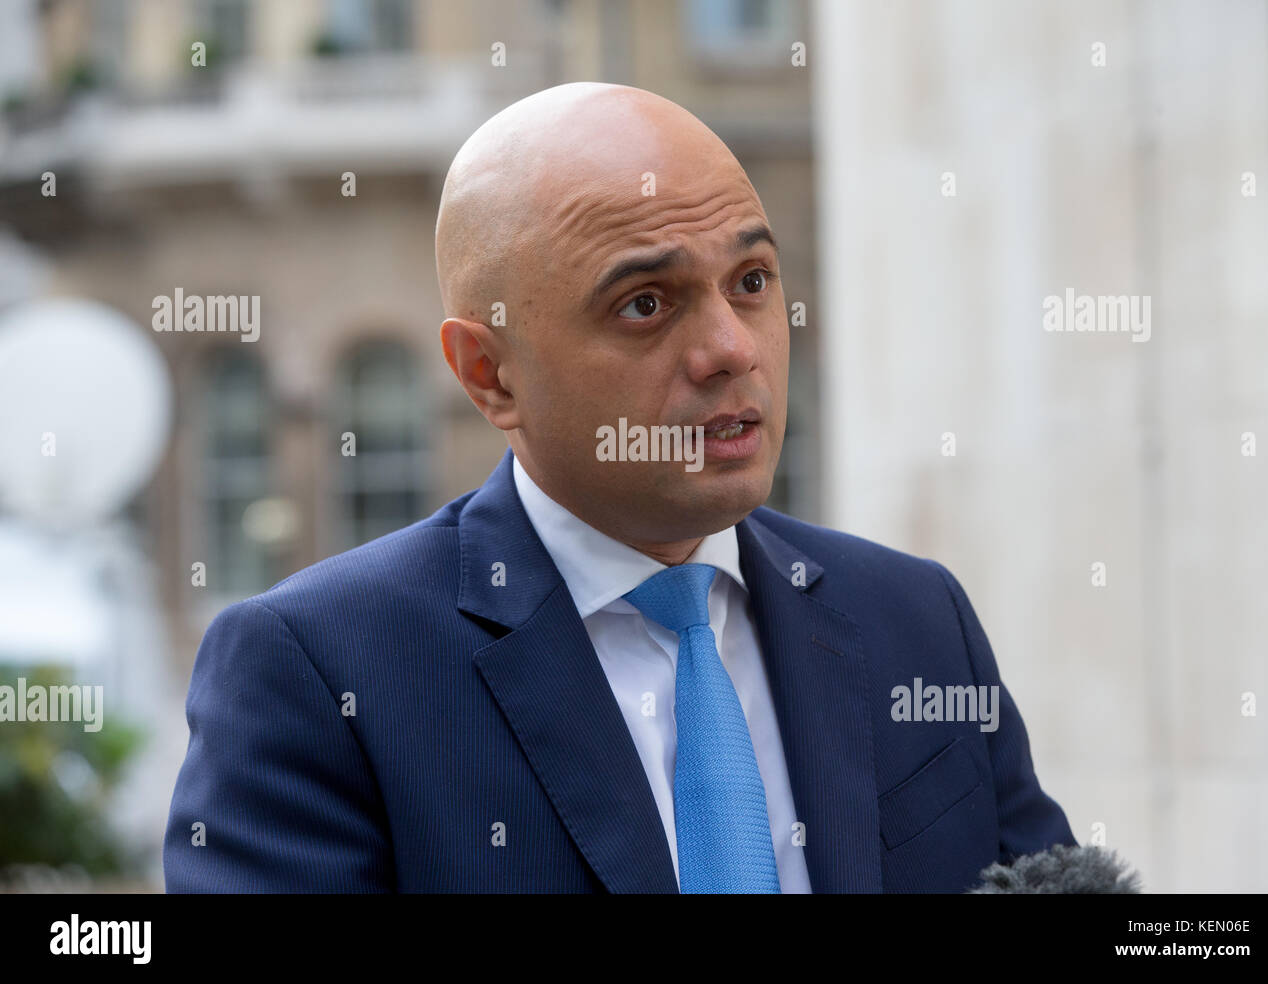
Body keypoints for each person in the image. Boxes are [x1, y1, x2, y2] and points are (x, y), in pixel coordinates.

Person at [164, 82, 1074, 893]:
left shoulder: (916, 621)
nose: (734, 348)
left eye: (751, 281)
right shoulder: (319, 672)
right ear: (489, 374)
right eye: (647, 303)